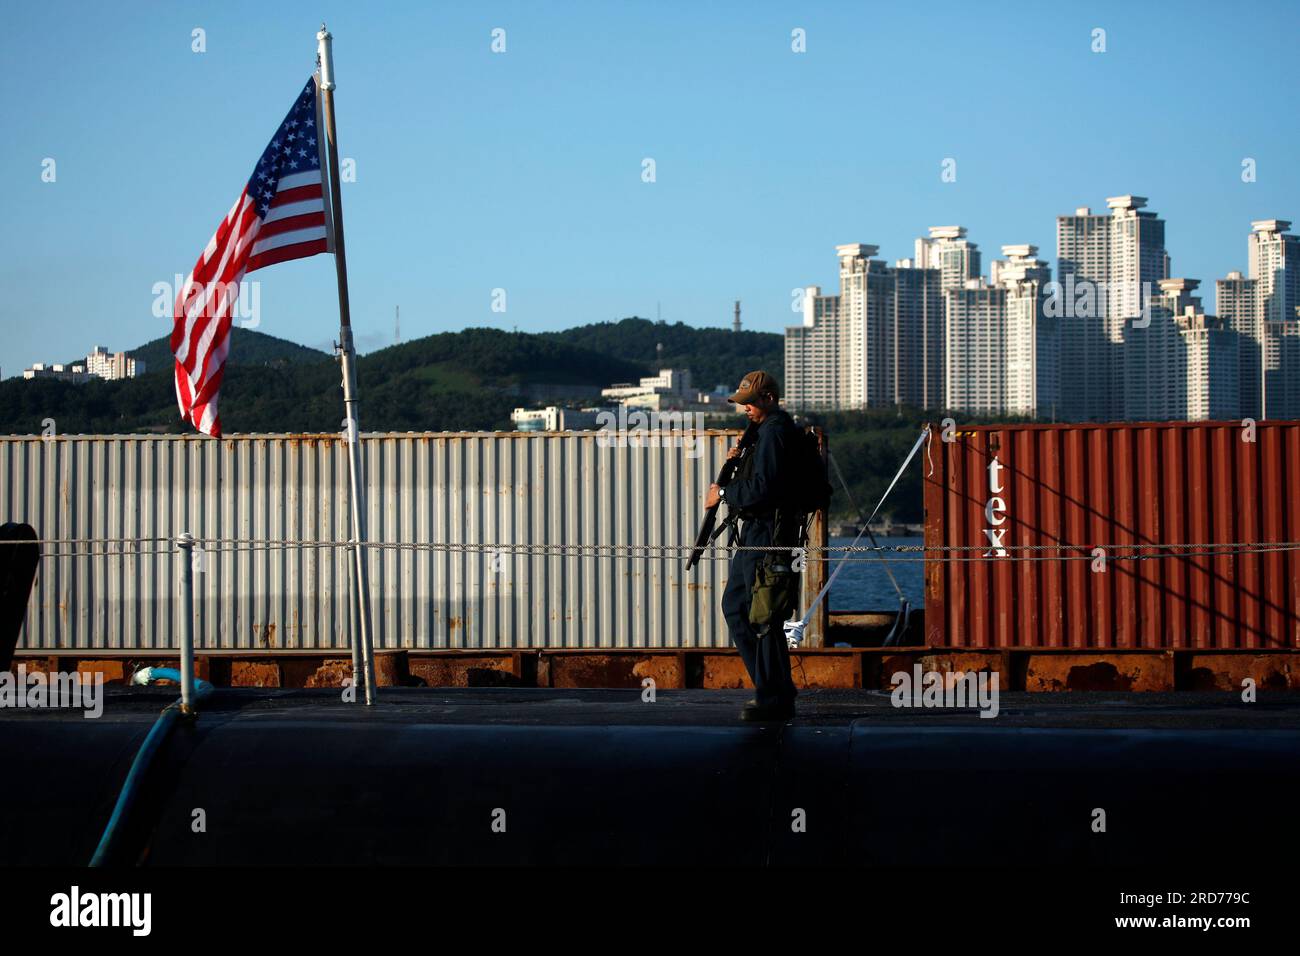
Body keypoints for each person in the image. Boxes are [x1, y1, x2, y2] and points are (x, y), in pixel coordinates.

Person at [704, 370, 801, 721]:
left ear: (769, 399)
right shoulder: (763, 433)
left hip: (767, 534)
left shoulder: (774, 432)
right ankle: (774, 689)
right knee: (738, 608)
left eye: (750, 403)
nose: (745, 409)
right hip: (756, 533)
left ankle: (773, 697)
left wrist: (724, 493)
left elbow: (765, 488)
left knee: (761, 616)